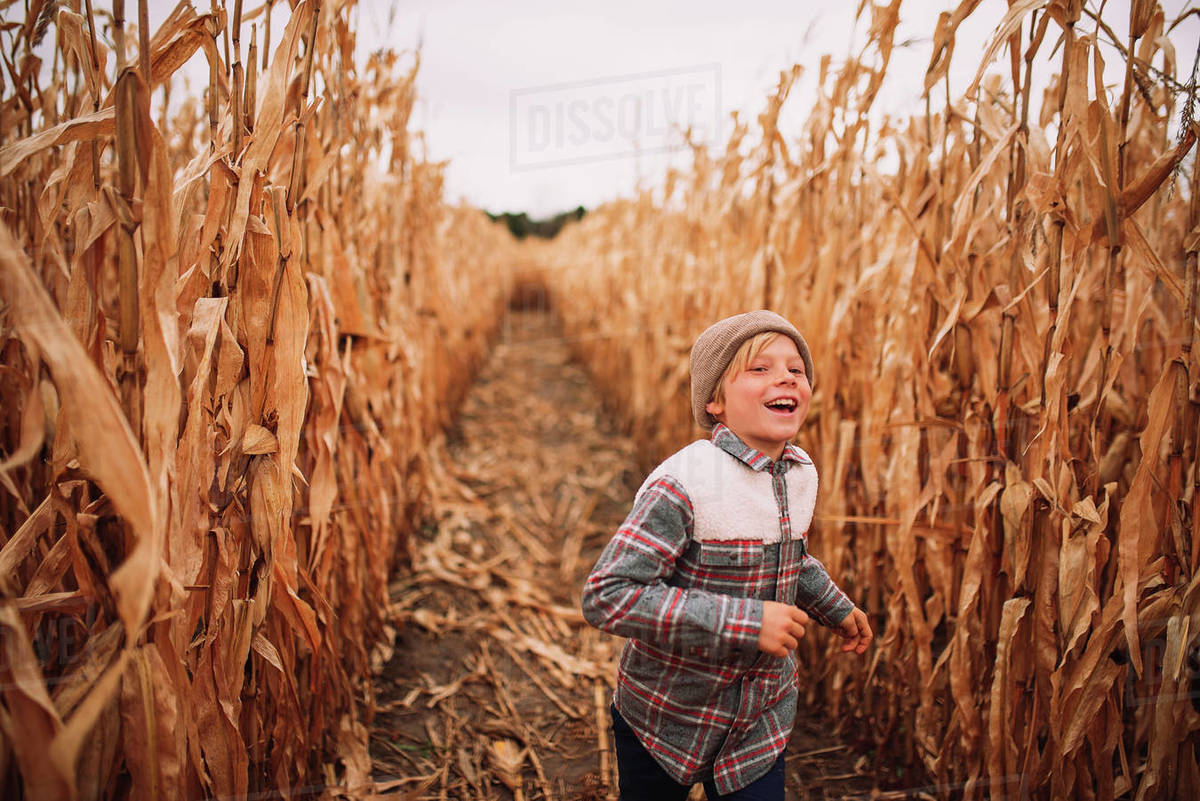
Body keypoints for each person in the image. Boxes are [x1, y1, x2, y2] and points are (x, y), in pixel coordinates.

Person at [581, 310, 872, 800]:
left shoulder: (799, 474)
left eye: (795, 369)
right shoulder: (686, 483)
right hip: (667, 714)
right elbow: (608, 596)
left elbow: (791, 558)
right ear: (714, 400)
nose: (784, 377)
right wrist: (746, 621)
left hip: (758, 720)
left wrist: (835, 607)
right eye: (759, 368)